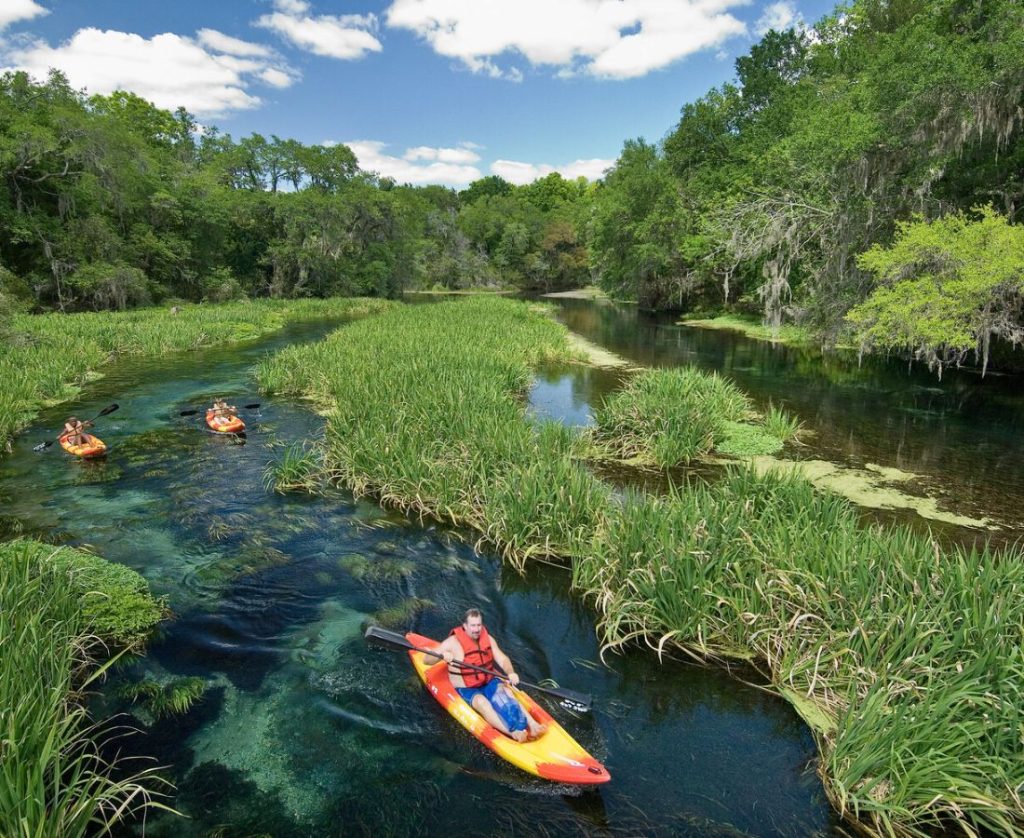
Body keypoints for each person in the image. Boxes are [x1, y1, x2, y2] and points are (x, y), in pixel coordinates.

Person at [426, 608, 547, 743]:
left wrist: (511, 672)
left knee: (507, 692)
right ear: (465, 626)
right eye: (473, 625)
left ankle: (533, 724)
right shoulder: (452, 643)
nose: (477, 629)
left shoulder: (488, 639)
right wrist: (441, 656)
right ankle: (513, 733)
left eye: (479, 625)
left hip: (488, 681)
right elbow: (426, 660)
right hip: (467, 688)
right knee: (482, 702)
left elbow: (502, 659)